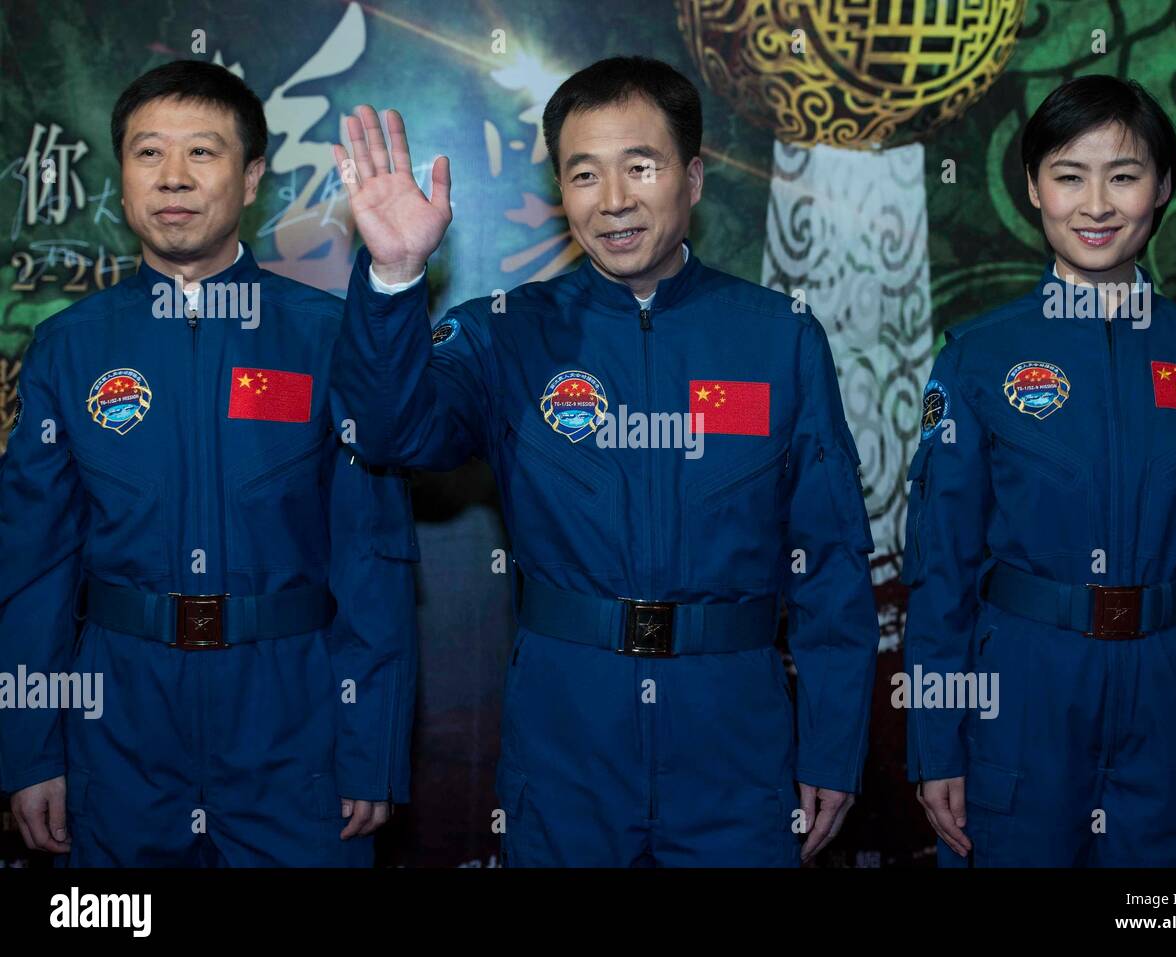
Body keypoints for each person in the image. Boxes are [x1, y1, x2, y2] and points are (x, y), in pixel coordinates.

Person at [329, 56, 878, 866]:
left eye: (641, 167)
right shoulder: (504, 332)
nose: (613, 199)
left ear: (692, 178)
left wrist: (832, 744)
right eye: (584, 173)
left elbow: (831, 560)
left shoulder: (778, 335)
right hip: (567, 728)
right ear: (561, 192)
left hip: (735, 733)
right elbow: (388, 433)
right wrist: (395, 275)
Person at [0, 60, 418, 866]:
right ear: (122, 179)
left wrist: (369, 744)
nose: (174, 178)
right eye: (148, 153)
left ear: (252, 175)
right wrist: (30, 749)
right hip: (117, 719)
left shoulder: (326, 337)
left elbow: (372, 558)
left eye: (204, 152)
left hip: (292, 721)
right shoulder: (68, 346)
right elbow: (33, 568)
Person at [904, 74, 1176, 867]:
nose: (1097, 204)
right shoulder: (978, 358)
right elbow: (942, 570)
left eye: (1125, 174)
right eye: (1069, 176)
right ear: (1036, 190)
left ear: (1164, 188)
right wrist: (935, 740)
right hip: (1024, 686)